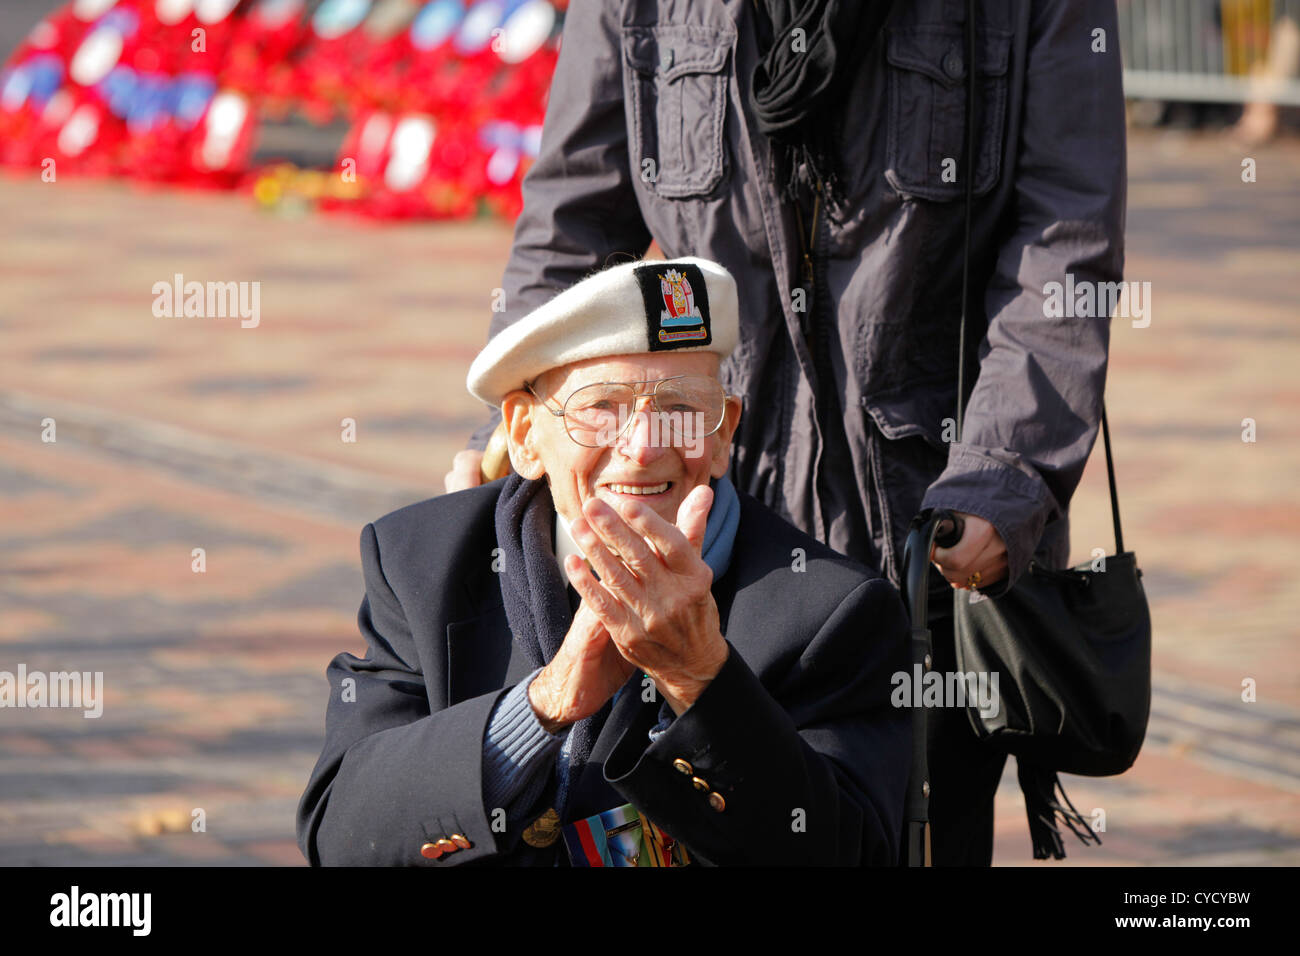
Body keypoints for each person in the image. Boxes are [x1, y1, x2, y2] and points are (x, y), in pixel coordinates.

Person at [445, 0, 1127, 865]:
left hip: (927, 538)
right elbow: (571, 226)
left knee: (901, 839)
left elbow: (1065, 244)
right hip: (706, 517)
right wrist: (519, 432)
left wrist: (1005, 474)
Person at [297, 258, 913, 866]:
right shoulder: (421, 563)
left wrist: (700, 680)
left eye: (680, 408)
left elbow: (849, 851)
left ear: (724, 435)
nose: (644, 447)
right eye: (602, 406)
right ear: (524, 434)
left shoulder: (830, 612)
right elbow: (341, 832)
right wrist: (545, 704)